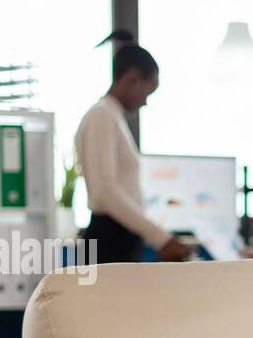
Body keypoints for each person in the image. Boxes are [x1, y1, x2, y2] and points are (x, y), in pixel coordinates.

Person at [74, 30, 189, 264]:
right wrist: (160, 238)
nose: (146, 101)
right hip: (109, 239)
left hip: (119, 237)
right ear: (132, 79)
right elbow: (104, 191)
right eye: (148, 91)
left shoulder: (112, 116)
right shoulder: (102, 116)